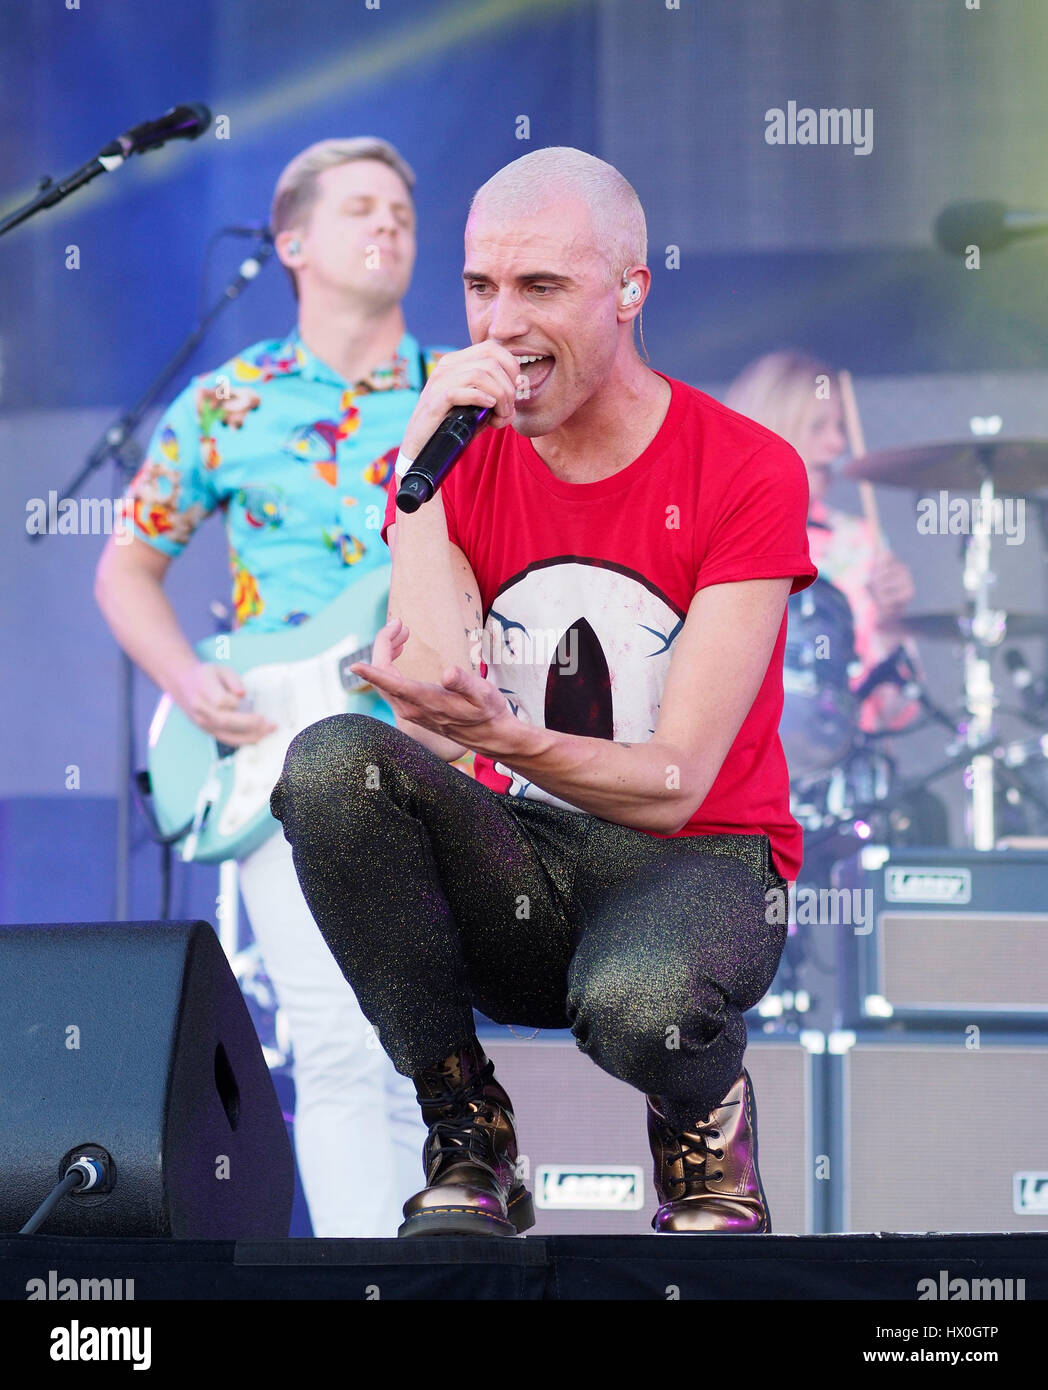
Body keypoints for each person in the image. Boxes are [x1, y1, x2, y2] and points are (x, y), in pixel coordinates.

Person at [268, 146, 818, 1237]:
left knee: (639, 1006)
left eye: (540, 289)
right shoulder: (457, 460)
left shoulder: (746, 467)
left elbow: (674, 783)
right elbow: (435, 686)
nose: (501, 324)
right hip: (525, 857)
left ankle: (702, 1129)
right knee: (331, 763)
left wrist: (498, 733)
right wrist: (414, 464)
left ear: (628, 289)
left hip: (698, 861)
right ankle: (467, 1131)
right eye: (479, 288)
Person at [94, 137, 445, 1237]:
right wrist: (189, 676)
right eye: (359, 209)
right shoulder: (226, 404)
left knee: (419, 1049)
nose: (388, 225)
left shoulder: (460, 396)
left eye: (400, 209)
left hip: (429, 752)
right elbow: (124, 568)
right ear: (292, 242)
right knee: (337, 1047)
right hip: (277, 753)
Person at [724, 351, 949, 845]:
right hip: (728, 783)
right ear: (771, 430)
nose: (838, 445)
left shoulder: (859, 544)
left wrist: (890, 626)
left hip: (838, 792)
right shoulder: (713, 535)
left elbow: (895, 712)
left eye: (841, 427)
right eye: (819, 427)